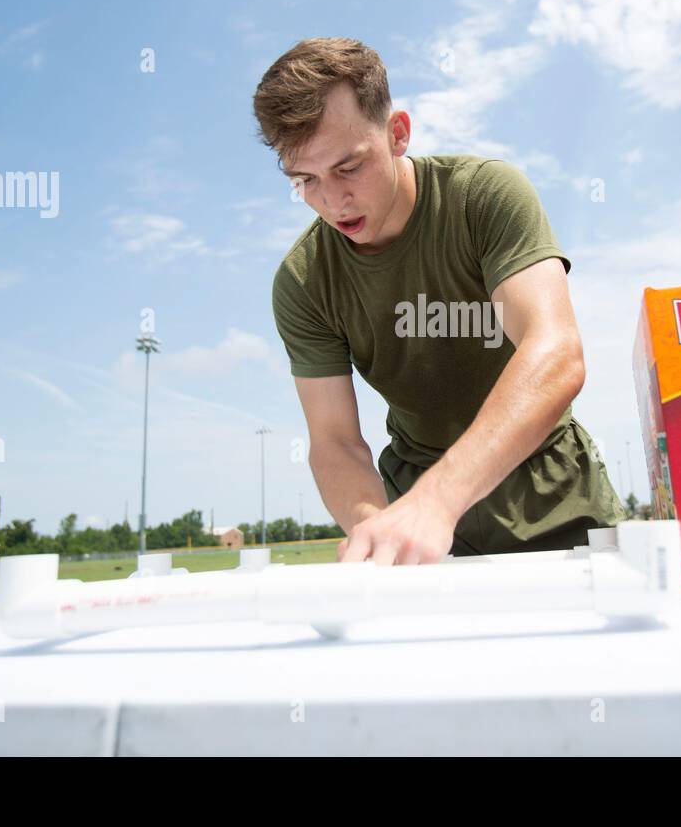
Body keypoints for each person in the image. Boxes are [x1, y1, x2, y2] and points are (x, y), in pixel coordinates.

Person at [253, 37, 625, 565]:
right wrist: (378, 529)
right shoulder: (303, 281)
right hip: (419, 529)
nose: (332, 202)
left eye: (349, 167)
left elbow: (556, 351)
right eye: (305, 181)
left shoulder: (485, 195)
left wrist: (438, 501)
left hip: (559, 506)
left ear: (397, 133)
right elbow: (334, 440)